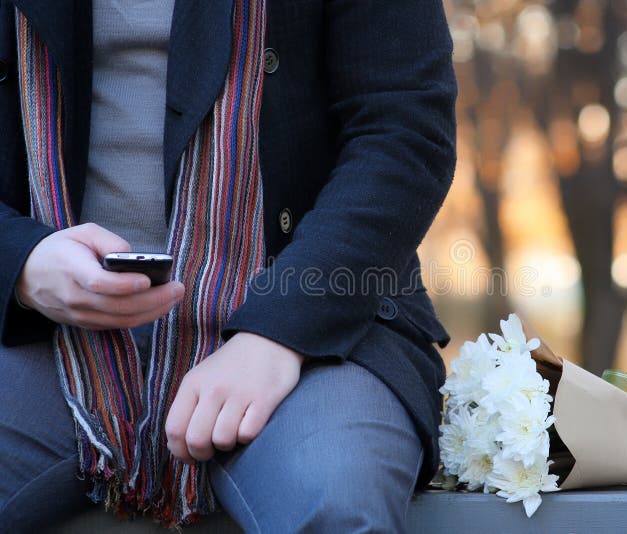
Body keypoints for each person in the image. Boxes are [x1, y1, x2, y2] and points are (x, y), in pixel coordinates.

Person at [0, 0, 456, 531]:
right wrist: (21, 260)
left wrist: (283, 327)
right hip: (39, 333)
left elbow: (404, 129)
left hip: (317, 328)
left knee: (337, 503)